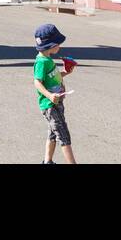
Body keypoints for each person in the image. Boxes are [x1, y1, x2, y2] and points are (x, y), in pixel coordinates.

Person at [32, 23, 76, 164]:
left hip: (57, 102)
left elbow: (53, 78)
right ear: (49, 45)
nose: (59, 46)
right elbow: (37, 82)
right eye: (57, 44)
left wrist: (65, 72)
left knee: (52, 134)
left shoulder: (48, 59)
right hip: (49, 105)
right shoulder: (41, 62)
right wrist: (50, 95)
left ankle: (47, 161)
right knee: (63, 135)